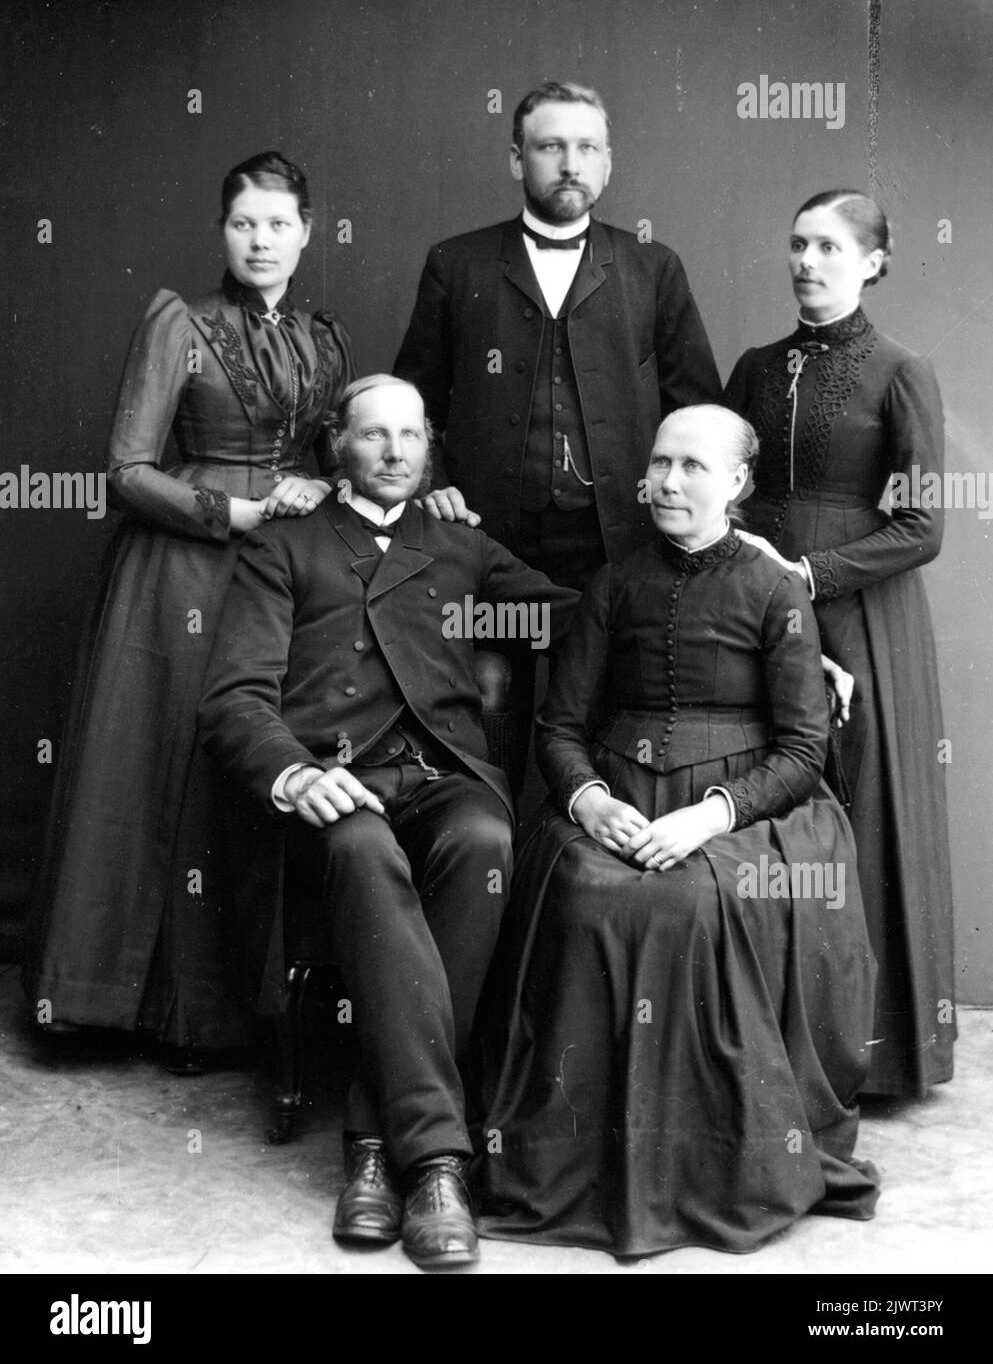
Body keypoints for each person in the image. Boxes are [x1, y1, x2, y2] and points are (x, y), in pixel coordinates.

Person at [475, 405, 880, 1258]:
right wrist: (587, 802)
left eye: (692, 466)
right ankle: (576, 1157)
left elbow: (805, 748)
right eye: (659, 464)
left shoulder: (775, 592)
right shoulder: (612, 583)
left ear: (736, 484)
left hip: (747, 805)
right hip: (616, 791)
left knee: (694, 901)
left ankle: (707, 1169)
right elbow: (558, 727)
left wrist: (708, 816)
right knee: (588, 892)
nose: (667, 482)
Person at [197, 375, 579, 1270]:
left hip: (443, 777)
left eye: (411, 434)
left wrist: (752, 601)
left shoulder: (458, 543)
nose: (395, 452)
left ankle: (372, 1144)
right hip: (337, 780)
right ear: (338, 445)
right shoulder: (287, 546)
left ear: (429, 444)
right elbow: (234, 698)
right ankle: (440, 1164)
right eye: (374, 435)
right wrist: (294, 773)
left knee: (487, 842)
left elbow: (582, 618)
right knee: (364, 852)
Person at [22, 151, 354, 1066]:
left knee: (244, 765)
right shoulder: (182, 321)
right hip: (179, 573)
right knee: (161, 764)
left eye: (278, 224)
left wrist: (318, 492)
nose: (260, 240)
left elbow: (339, 456)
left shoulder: (324, 336)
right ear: (223, 231)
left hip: (282, 573)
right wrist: (239, 509)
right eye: (244, 223)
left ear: (306, 233)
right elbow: (126, 471)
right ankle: (135, 1006)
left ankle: (217, 1013)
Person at [394, 80, 723, 789]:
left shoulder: (650, 267)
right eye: (549, 147)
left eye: (585, 148)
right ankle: (493, 885)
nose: (568, 163)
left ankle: (586, 892)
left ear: (607, 163)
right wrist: (436, 484)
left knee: (608, 718)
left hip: (614, 544)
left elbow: (699, 411)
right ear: (517, 159)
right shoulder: (458, 265)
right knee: (486, 713)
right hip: (488, 541)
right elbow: (411, 401)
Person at [724, 189, 954, 1098]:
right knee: (763, 804)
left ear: (872, 262)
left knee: (854, 815)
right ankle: (767, 1036)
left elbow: (922, 526)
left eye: (828, 246)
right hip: (756, 610)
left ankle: (865, 1051)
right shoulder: (753, 365)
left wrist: (808, 576)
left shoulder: (901, 370)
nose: (806, 261)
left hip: (858, 617)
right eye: (796, 244)